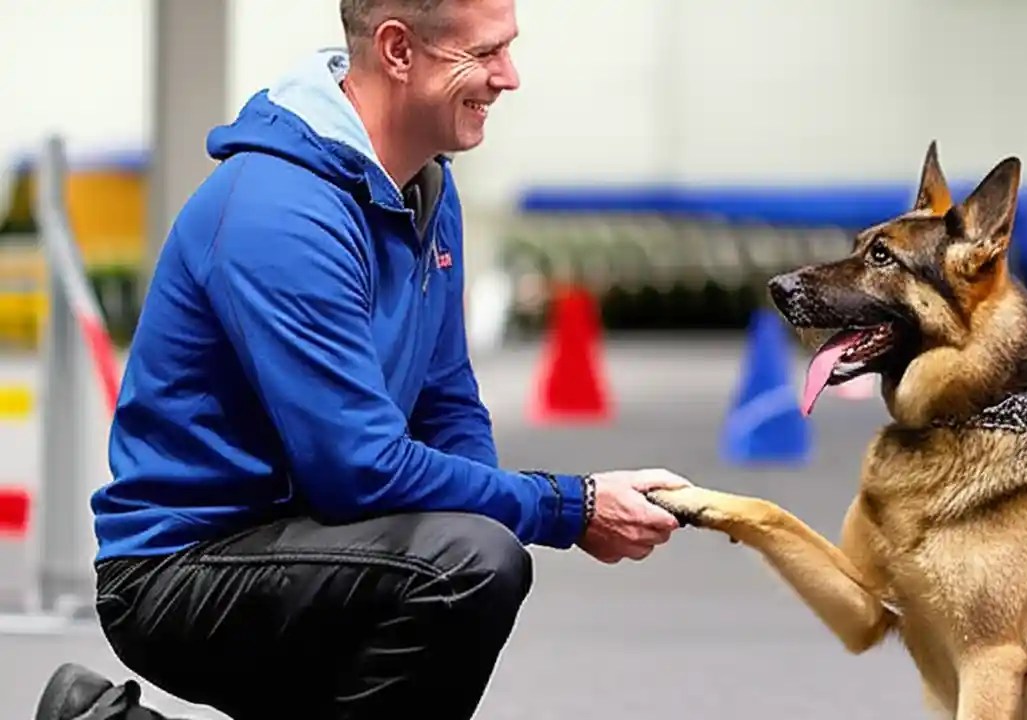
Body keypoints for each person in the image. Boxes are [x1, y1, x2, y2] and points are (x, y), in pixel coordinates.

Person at [34, 1, 691, 718]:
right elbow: (360, 469)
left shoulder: (428, 189)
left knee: (479, 545)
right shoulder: (281, 211)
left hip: (312, 538)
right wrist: (571, 506)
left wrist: (493, 506)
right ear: (398, 51)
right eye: (484, 53)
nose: (510, 77)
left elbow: (447, 398)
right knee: (467, 566)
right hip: (181, 568)